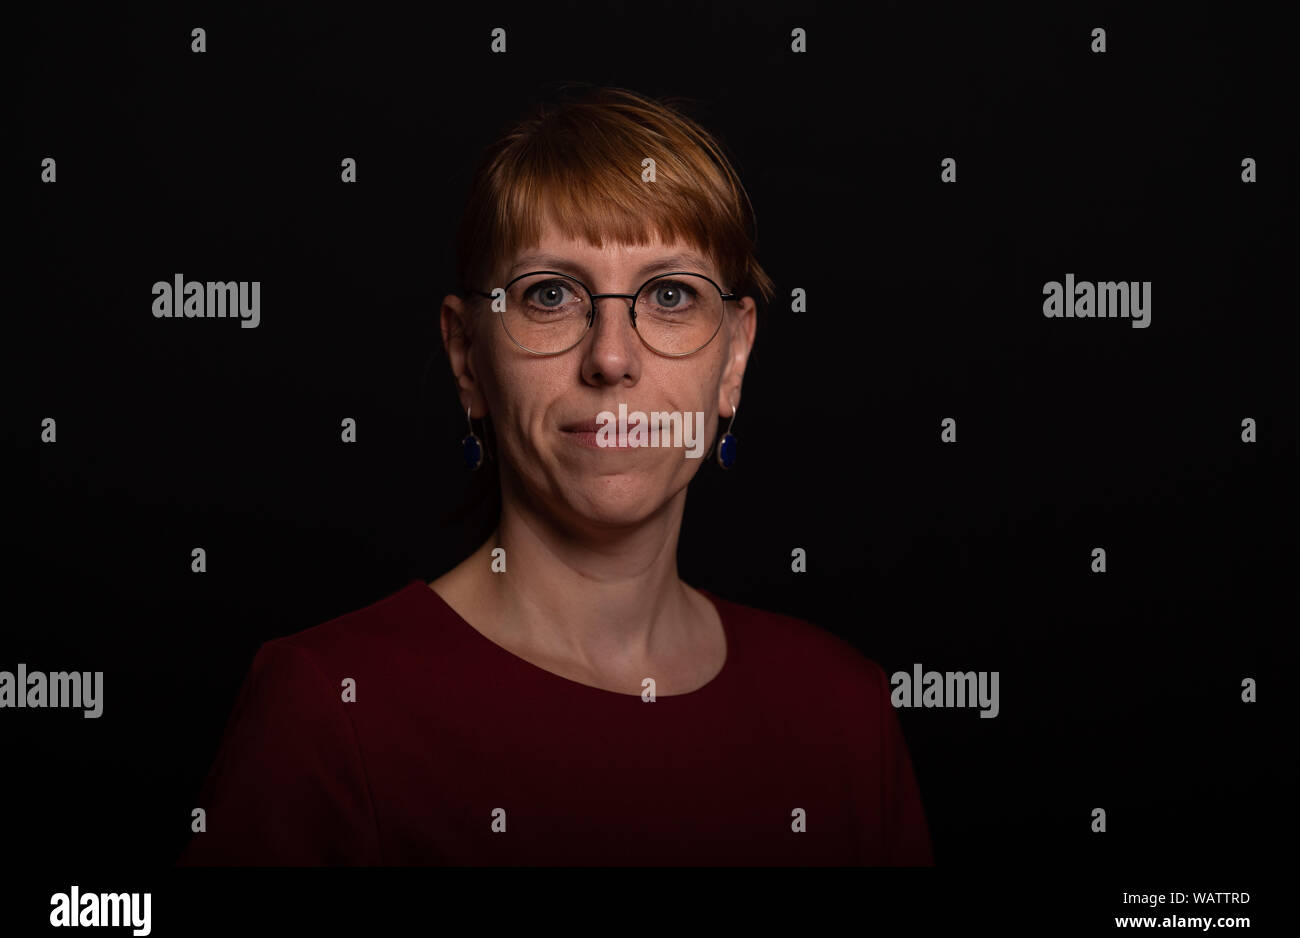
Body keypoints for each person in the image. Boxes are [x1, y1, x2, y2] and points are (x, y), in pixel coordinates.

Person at [177, 85, 933, 866]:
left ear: (734, 357)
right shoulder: (329, 708)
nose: (610, 358)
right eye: (551, 295)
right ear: (467, 357)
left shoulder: (844, 710)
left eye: (669, 295)